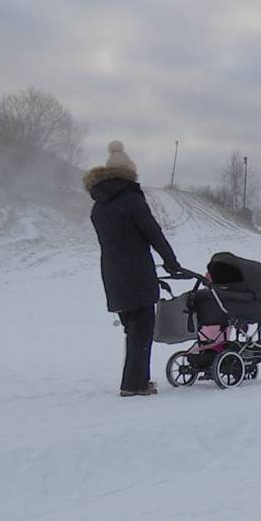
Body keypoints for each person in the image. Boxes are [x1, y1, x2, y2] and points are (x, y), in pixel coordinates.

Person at [85, 140, 181, 397]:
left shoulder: (98, 206)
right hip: (137, 272)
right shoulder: (132, 200)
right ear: (130, 173)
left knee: (132, 328)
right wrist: (171, 263)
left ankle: (139, 381)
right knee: (143, 329)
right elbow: (153, 233)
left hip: (112, 274)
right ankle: (133, 385)